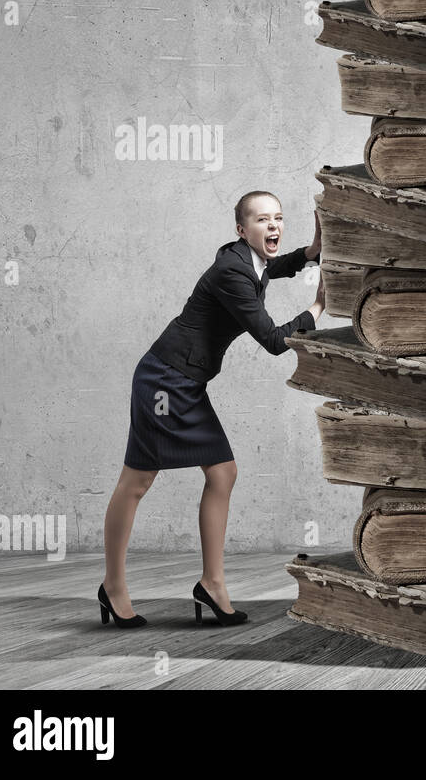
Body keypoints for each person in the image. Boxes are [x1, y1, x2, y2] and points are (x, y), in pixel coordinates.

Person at [98, 191, 325, 628]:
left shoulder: (248, 260)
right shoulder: (232, 272)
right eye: (262, 220)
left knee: (219, 473)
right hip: (165, 381)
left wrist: (312, 252)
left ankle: (212, 583)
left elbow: (272, 267)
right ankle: (114, 587)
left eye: (278, 218)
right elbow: (276, 341)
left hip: (182, 379)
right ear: (242, 230)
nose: (273, 226)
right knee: (138, 481)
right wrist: (317, 306)